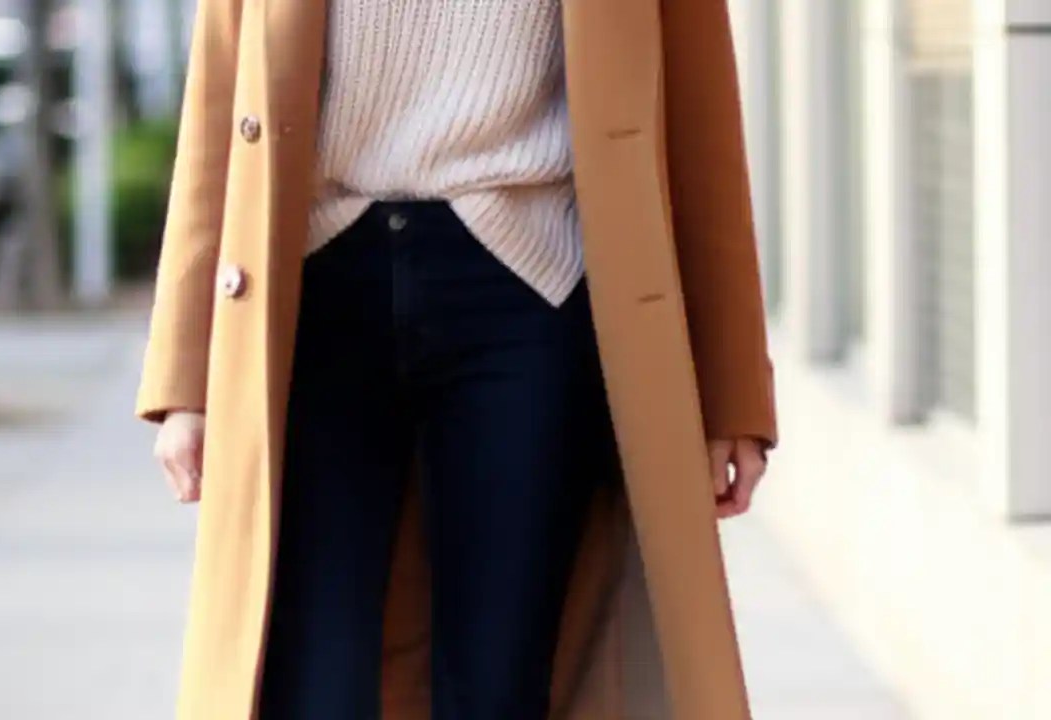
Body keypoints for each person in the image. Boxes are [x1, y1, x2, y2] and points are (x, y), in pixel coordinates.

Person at [139, 1, 777, 718]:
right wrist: (186, 379)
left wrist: (731, 390)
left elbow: (701, 117)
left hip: (526, 283)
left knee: (499, 680)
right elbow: (220, 92)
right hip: (313, 292)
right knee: (310, 677)